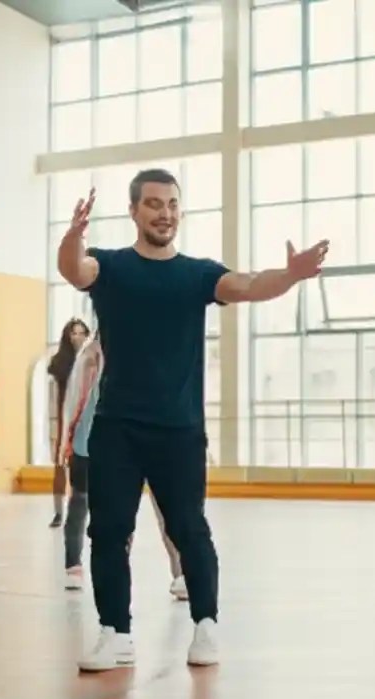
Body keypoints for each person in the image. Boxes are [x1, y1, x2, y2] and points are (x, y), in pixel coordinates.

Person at [56, 169, 329, 672]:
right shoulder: (112, 267)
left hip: (179, 428)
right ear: (135, 211)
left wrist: (289, 275)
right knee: (109, 532)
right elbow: (75, 270)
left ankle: (206, 625)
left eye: (173, 205)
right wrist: (74, 235)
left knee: (189, 528)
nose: (165, 213)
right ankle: (115, 633)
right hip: (117, 425)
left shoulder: (197, 274)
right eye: (154, 204)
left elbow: (247, 285)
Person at [60, 331, 188, 602]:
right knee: (114, 515)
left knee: (165, 509)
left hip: (151, 436)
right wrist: (67, 438)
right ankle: (108, 575)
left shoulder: (152, 346)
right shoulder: (92, 353)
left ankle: (180, 573)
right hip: (106, 441)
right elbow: (77, 398)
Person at [47, 318, 90, 527]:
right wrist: (55, 425)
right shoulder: (59, 363)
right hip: (60, 422)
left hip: (83, 422)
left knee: (79, 467)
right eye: (74, 333)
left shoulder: (91, 360)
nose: (79, 337)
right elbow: (54, 397)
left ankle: (79, 507)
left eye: (82, 333)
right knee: (59, 466)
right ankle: (57, 511)